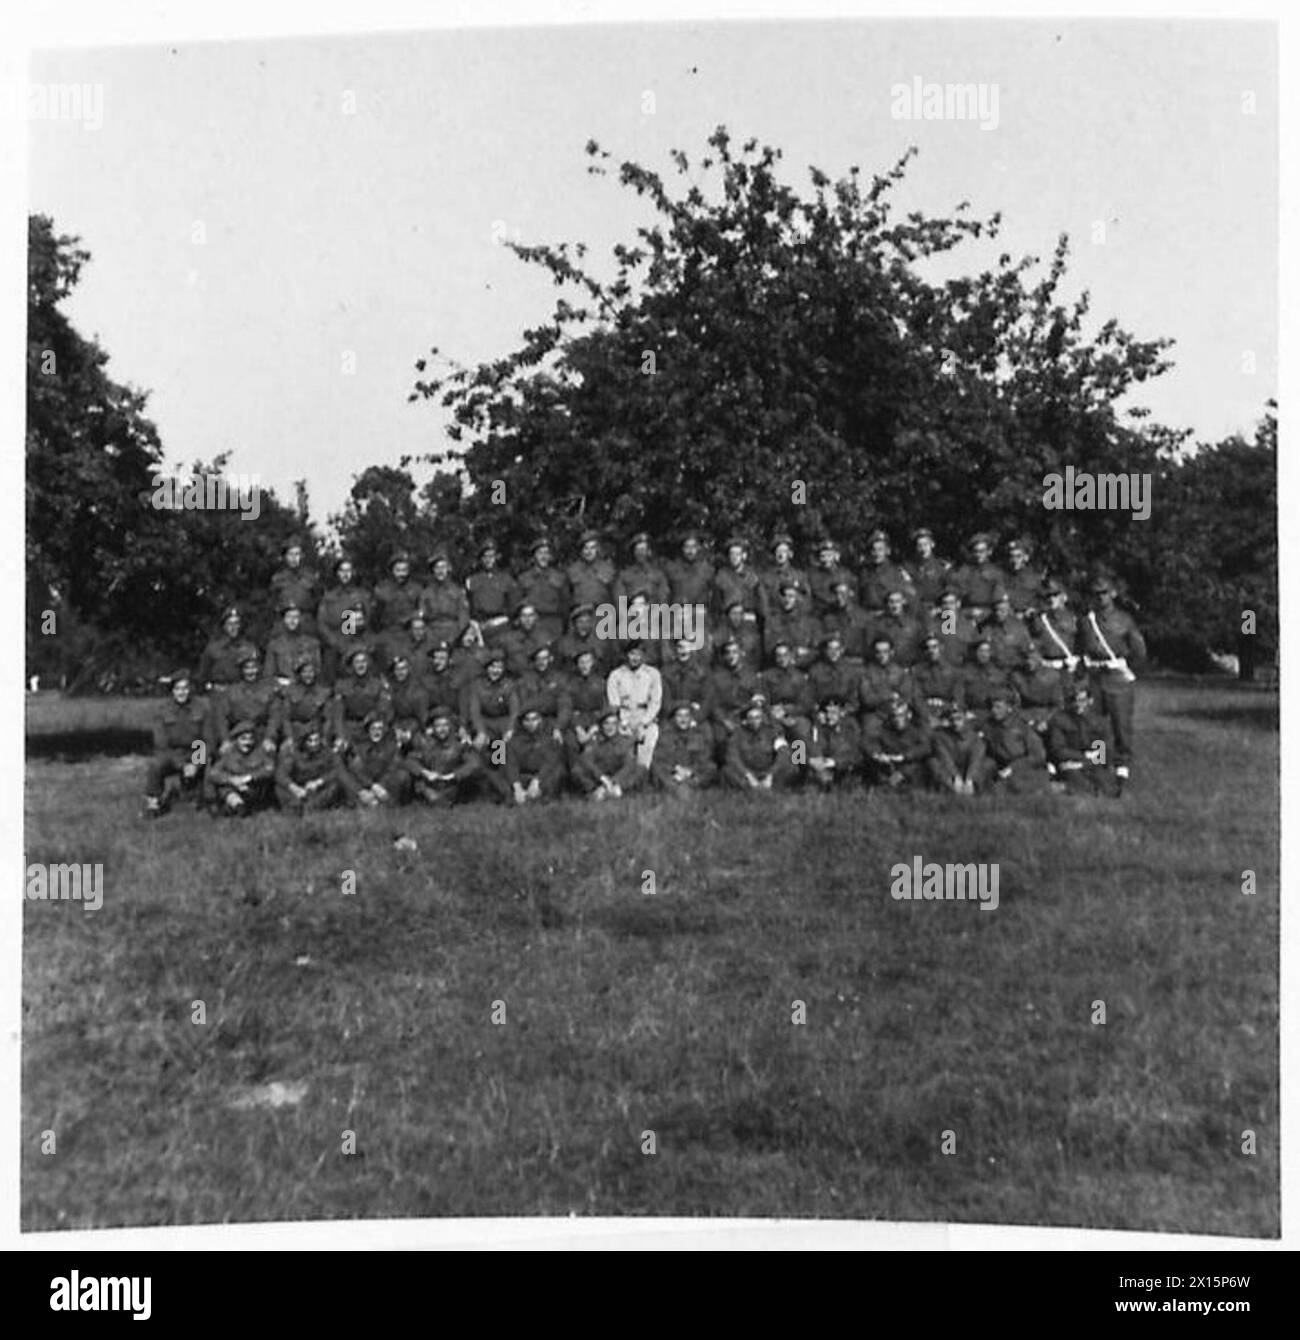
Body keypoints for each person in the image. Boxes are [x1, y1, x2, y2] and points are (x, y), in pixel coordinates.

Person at [1077, 572, 1145, 791]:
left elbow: (1138, 650)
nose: (1100, 598)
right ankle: (1098, 769)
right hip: (1094, 678)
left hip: (1117, 678)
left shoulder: (1124, 619)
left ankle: (1121, 772)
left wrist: (1126, 668)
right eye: (1096, 594)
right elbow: (1080, 647)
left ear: (1113, 594)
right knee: (1096, 726)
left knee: (1121, 726)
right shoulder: (1087, 620)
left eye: (1104, 593)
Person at [144, 670, 209, 815]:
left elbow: (206, 738)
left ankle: (207, 797)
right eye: (178, 689)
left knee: (213, 763)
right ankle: (153, 803)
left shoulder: (201, 708)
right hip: (172, 754)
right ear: (172, 691)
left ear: (190, 689)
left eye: (185, 688)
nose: (182, 693)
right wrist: (182, 764)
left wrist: (195, 763)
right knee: (155, 764)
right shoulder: (162, 711)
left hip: (195, 753)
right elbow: (161, 743)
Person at [1046, 683, 1117, 797]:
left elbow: (1104, 753)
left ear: (1090, 700)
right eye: (1073, 700)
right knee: (1083, 791)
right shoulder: (1059, 720)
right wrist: (1081, 757)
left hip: (1092, 764)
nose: (1078, 704)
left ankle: (1062, 787)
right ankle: (1061, 786)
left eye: (1082, 700)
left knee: (1109, 790)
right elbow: (1058, 750)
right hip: (1068, 763)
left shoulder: (1100, 722)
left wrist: (1082, 762)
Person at [404, 706, 482, 804]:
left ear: (450, 726)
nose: (442, 729)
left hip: (451, 783)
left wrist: (452, 776)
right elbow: (409, 761)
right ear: (433, 728)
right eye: (438, 726)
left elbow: (474, 763)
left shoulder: (458, 744)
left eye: (445, 725)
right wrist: (425, 773)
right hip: (429, 782)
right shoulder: (425, 743)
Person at [208, 652, 279, 756]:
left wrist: (270, 737)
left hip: (261, 736)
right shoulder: (231, 692)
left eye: (253, 667)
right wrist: (225, 740)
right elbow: (221, 718)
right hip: (237, 737)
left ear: (259, 668)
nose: (250, 672)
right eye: (246, 668)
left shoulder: (269, 690)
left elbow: (275, 717)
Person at [606, 640, 662, 768]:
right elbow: (613, 702)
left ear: (643, 655)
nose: (635, 658)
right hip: (624, 717)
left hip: (644, 716)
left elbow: (655, 702)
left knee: (650, 736)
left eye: (638, 654)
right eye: (632, 654)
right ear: (626, 655)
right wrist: (623, 722)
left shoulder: (652, 674)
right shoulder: (616, 675)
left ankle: (643, 774)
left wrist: (644, 723)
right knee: (622, 744)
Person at [981, 691, 1050, 793]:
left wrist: (1013, 767)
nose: (994, 711)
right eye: (992, 707)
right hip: (1001, 767)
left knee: (1013, 787)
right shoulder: (989, 726)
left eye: (998, 707)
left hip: (1026, 768)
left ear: (1009, 708)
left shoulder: (1022, 727)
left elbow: (1038, 755)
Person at [317, 558, 373, 684]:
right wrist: (334, 641)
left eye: (348, 570)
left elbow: (367, 620)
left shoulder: (361, 596)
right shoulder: (329, 598)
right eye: (342, 570)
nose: (345, 574)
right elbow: (321, 624)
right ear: (337, 573)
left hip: (354, 642)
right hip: (334, 643)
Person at [722, 697, 796, 791]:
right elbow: (733, 756)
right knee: (727, 771)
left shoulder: (773, 732)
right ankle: (754, 787)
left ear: (762, 718)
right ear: (746, 720)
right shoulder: (737, 734)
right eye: (751, 718)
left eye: (757, 717)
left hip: (768, 770)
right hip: (748, 771)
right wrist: (748, 775)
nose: (754, 721)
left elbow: (783, 752)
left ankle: (765, 786)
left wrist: (770, 774)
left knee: (792, 768)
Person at [497, 705, 566, 805]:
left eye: (534, 719)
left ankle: (541, 795)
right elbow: (511, 764)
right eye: (527, 720)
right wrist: (517, 787)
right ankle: (517, 796)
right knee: (500, 766)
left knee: (558, 771)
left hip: (541, 776)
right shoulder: (513, 741)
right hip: (522, 776)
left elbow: (550, 762)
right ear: (522, 722)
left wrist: (537, 781)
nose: (531, 723)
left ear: (540, 720)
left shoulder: (550, 738)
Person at [339, 712, 410, 807]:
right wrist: (372, 786)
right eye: (373, 729)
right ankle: (366, 799)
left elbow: (393, 766)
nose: (376, 732)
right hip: (366, 783)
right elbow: (355, 769)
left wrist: (381, 785)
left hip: (384, 783)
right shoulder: (359, 746)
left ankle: (387, 801)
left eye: (380, 729)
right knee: (346, 774)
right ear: (368, 730)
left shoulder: (391, 746)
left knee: (402, 775)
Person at [856, 636, 915, 750]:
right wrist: (889, 695)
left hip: (896, 712)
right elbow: (867, 698)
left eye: (885, 652)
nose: (882, 655)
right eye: (878, 652)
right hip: (875, 714)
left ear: (891, 652)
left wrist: (894, 704)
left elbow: (906, 696)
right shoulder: (866, 673)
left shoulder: (900, 672)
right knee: (870, 734)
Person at [207, 721, 276, 816]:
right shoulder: (228, 753)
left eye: (250, 739)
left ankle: (236, 807)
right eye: (243, 739)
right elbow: (214, 772)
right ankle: (237, 805)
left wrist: (248, 778)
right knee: (224, 788)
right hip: (232, 787)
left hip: (252, 788)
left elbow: (269, 770)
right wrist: (231, 780)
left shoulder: (261, 751)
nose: (247, 743)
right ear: (236, 740)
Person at [574, 707, 645, 800]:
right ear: (601, 725)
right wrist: (602, 778)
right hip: (599, 777)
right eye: (606, 723)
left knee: (640, 769)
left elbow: (629, 764)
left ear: (618, 725)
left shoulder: (623, 740)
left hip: (617, 776)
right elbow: (587, 761)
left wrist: (614, 781)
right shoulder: (595, 740)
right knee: (577, 770)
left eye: (614, 723)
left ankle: (616, 790)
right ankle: (595, 791)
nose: (610, 727)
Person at [329, 647, 393, 749]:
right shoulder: (342, 685)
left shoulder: (378, 684)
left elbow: (383, 708)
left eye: (364, 661)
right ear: (352, 665)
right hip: (350, 729)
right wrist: (340, 735)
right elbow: (338, 714)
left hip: (371, 728)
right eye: (357, 662)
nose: (361, 665)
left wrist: (374, 716)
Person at [651, 702, 718, 797]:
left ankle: (689, 783)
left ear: (691, 718)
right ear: (674, 718)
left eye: (686, 716)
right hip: (673, 772)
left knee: (711, 768)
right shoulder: (666, 735)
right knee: (656, 768)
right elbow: (660, 757)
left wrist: (689, 771)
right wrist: (676, 769)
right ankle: (676, 786)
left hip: (691, 772)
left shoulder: (698, 735)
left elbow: (704, 758)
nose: (683, 720)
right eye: (679, 716)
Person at [707, 637, 761, 753]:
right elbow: (712, 703)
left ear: (741, 653)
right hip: (724, 718)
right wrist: (725, 721)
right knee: (720, 739)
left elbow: (758, 697)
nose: (731, 656)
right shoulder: (716, 677)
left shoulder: (751, 676)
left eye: (735, 652)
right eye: (728, 653)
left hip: (746, 717)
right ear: (723, 656)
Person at [275, 723, 343, 814]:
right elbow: (281, 774)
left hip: (316, 787)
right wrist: (295, 788)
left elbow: (336, 770)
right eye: (310, 741)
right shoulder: (294, 753)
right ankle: (295, 806)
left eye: (316, 740)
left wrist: (319, 782)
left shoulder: (327, 752)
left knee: (335, 785)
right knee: (279, 788)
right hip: (297, 786)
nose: (313, 744)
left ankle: (312, 806)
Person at [868, 699, 934, 791]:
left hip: (912, 768)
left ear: (908, 716)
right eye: (894, 716)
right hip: (891, 765)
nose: (897, 719)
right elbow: (872, 743)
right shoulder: (886, 731)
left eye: (900, 716)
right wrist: (878, 755)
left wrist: (904, 756)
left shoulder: (917, 730)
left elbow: (925, 748)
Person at [271, 656, 332, 751]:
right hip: (295, 732)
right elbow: (285, 717)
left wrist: (324, 736)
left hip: (315, 732)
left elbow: (328, 718)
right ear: (299, 674)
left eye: (311, 671)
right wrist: (289, 736)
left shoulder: (323, 692)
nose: (308, 675)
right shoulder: (289, 691)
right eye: (304, 672)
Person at [760, 642, 815, 746]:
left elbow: (805, 703)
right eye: (779, 656)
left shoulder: (800, 677)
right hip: (771, 715)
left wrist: (786, 711)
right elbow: (763, 699)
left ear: (791, 656)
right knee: (768, 730)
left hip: (794, 715)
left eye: (785, 655)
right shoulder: (766, 676)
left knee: (801, 729)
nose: (782, 659)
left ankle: (799, 759)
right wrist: (774, 713)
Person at [561, 647, 609, 769]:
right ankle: (575, 776)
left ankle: (594, 778)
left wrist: (594, 728)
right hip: (577, 722)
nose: (584, 666)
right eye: (581, 662)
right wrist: (578, 729)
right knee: (570, 742)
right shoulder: (570, 684)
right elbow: (567, 707)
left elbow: (605, 707)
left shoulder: (601, 682)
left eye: (587, 662)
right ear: (577, 665)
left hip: (596, 722)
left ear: (592, 663)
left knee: (594, 745)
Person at [463, 648, 519, 750]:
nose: (496, 671)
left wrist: (510, 729)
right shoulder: (477, 685)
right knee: (479, 744)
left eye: (499, 668)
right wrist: (481, 731)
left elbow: (514, 711)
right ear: (487, 668)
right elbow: (474, 711)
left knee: (502, 746)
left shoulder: (509, 685)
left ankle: (498, 763)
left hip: (502, 723)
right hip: (484, 722)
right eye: (493, 667)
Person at [465, 540, 519, 646]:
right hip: (479, 626)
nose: (488, 560)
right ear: (481, 559)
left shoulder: (507, 579)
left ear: (497, 557)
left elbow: (513, 605)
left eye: (491, 556)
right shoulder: (472, 580)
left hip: (501, 625)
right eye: (485, 556)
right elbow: (468, 606)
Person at [929, 701, 989, 795]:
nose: (955, 723)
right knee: (933, 762)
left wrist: (969, 779)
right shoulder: (940, 736)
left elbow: (976, 759)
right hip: (950, 770)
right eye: (952, 719)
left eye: (959, 719)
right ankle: (951, 788)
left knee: (987, 764)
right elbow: (945, 757)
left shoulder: (974, 737)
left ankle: (974, 788)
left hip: (968, 769)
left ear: (965, 718)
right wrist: (955, 777)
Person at [516, 538, 570, 641]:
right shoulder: (524, 578)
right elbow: (518, 605)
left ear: (550, 556)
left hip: (554, 624)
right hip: (532, 624)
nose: (543, 556)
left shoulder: (560, 577)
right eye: (540, 553)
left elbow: (566, 605)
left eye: (546, 553)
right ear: (534, 556)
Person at [806, 697, 864, 791]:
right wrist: (810, 760)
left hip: (844, 767)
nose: (829, 716)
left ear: (841, 713)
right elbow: (806, 747)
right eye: (827, 712)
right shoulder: (819, 727)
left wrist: (833, 762)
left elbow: (854, 752)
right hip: (825, 765)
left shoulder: (850, 727)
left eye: (833, 713)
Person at [197, 606, 260, 692]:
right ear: (224, 626)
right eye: (230, 624)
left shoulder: (249, 647)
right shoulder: (212, 649)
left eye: (237, 623)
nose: (234, 627)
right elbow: (202, 677)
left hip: (243, 693)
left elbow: (257, 675)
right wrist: (211, 687)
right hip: (220, 693)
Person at [517, 644, 571, 742]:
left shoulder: (559, 678)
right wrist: (547, 700)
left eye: (544, 658)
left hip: (553, 721)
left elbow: (564, 705)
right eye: (538, 659)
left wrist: (558, 726)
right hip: (530, 721)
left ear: (550, 659)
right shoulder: (525, 679)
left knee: (569, 742)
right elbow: (524, 704)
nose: (541, 662)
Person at [269, 537, 323, 636]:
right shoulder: (277, 579)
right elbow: (272, 604)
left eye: (297, 554)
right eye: (291, 554)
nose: (294, 558)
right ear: (285, 556)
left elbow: (319, 602)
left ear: (302, 556)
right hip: (284, 624)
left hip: (306, 624)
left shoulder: (311, 577)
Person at [763, 580, 821, 668]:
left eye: (791, 596)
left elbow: (816, 651)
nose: (786, 600)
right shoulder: (772, 621)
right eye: (784, 595)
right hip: (778, 669)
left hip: (804, 669)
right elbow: (769, 648)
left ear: (798, 598)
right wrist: (795, 651)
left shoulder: (810, 622)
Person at [857, 529, 915, 617]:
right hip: (867, 617)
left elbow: (910, 597)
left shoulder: (897, 572)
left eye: (880, 549)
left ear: (887, 551)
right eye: (873, 550)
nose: (877, 554)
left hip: (889, 618)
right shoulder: (864, 573)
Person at [911, 633, 965, 725]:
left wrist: (948, 714)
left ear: (941, 648)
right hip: (925, 716)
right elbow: (917, 698)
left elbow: (958, 699)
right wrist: (928, 717)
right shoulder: (917, 671)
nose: (931, 651)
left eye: (934, 647)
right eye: (928, 648)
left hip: (948, 715)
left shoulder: (954, 672)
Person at [420, 549, 471, 647]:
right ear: (433, 570)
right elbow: (422, 616)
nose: (440, 571)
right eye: (437, 568)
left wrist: (453, 638)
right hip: (432, 634)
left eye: (443, 567)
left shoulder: (458, 591)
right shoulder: (426, 593)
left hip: (454, 633)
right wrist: (430, 636)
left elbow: (463, 618)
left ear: (448, 569)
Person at [263, 602, 322, 686]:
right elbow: (268, 675)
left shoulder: (312, 644)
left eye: (296, 617)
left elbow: (317, 671)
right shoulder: (274, 645)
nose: (292, 621)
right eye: (289, 617)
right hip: (283, 689)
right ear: (283, 619)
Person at [1030, 578, 1080, 674]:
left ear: (1064, 596)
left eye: (1055, 595)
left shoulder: (1074, 617)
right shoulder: (1040, 619)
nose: (1051, 599)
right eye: (1048, 595)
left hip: (1070, 667)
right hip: (1047, 669)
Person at [1009, 646, 1065, 732]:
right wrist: (1030, 721)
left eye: (1033, 659)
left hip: (1047, 716)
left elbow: (1058, 705)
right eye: (1027, 659)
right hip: (1026, 717)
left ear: (1040, 660)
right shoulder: (1016, 677)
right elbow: (1015, 704)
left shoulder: (1052, 676)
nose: (1029, 662)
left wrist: (1046, 720)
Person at [953, 532, 1005, 621]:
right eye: (975, 551)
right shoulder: (964, 571)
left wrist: (986, 613)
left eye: (982, 551)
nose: (978, 555)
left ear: (989, 551)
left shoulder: (996, 572)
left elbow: (999, 599)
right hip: (965, 613)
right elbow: (957, 593)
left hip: (989, 614)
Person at [711, 536, 765, 623]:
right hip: (727, 621)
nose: (734, 557)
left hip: (748, 620)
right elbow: (716, 604)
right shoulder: (721, 577)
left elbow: (761, 604)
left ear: (744, 555)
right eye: (732, 554)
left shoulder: (753, 577)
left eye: (737, 554)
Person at [870, 587, 927, 668]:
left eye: (897, 601)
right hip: (884, 669)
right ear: (887, 604)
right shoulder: (877, 624)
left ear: (903, 601)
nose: (894, 605)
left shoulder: (914, 625)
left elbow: (921, 649)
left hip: (908, 668)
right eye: (891, 602)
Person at [961, 638, 1014, 724]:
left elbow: (1008, 695)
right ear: (975, 652)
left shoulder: (998, 673)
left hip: (995, 714)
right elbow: (960, 695)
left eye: (987, 651)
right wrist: (964, 711)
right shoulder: (965, 672)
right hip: (974, 713)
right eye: (981, 651)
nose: (984, 654)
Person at [979, 589, 1033, 671]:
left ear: (1008, 609)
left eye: (1003, 610)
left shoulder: (1019, 627)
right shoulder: (985, 625)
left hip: (1013, 667)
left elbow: (1028, 649)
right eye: (996, 609)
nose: (998, 612)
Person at [820, 580, 873, 664]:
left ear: (851, 593)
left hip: (857, 662)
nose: (838, 597)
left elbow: (870, 644)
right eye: (836, 593)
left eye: (842, 593)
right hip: (833, 660)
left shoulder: (864, 616)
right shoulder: (827, 616)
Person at [659, 637, 712, 719]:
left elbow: (706, 702)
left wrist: (696, 719)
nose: (683, 651)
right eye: (679, 647)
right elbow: (666, 704)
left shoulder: (702, 672)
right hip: (672, 717)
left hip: (695, 718)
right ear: (675, 649)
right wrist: (688, 704)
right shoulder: (666, 672)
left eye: (687, 647)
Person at [372, 550, 423, 634]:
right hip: (387, 632)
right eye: (398, 570)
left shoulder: (416, 589)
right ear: (392, 570)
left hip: (410, 632)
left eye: (404, 570)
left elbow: (421, 611)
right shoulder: (381, 589)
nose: (401, 574)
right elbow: (375, 617)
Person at [807, 631, 862, 708]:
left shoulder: (849, 670)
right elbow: (810, 697)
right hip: (822, 710)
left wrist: (843, 712)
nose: (834, 652)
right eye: (830, 649)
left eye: (837, 649)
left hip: (843, 710)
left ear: (842, 650)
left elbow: (854, 698)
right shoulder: (815, 671)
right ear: (825, 650)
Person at [614, 532, 669, 606]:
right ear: (633, 552)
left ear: (649, 552)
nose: (640, 553)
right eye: (637, 550)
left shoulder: (659, 575)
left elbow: (664, 599)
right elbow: (620, 602)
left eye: (643, 549)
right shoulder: (624, 575)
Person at [759, 533, 810, 611]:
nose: (780, 554)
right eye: (778, 551)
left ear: (790, 554)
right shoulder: (766, 577)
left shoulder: (799, 576)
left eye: (784, 551)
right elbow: (763, 600)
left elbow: (807, 600)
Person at [387, 654, 431, 744]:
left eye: (403, 669)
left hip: (415, 727)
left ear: (408, 670)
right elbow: (389, 713)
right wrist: (395, 729)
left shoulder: (417, 689)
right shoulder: (391, 688)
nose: (400, 672)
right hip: (396, 726)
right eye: (397, 669)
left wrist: (410, 731)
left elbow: (422, 717)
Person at [664, 530, 714, 607]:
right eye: (687, 547)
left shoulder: (707, 570)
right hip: (679, 612)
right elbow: (665, 594)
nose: (690, 551)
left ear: (698, 548)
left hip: (699, 613)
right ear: (682, 548)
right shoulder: (672, 569)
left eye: (693, 547)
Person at [808, 536, 856, 617]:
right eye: (823, 555)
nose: (826, 559)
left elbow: (854, 595)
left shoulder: (845, 574)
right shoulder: (812, 575)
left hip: (841, 615)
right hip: (819, 616)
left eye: (829, 555)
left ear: (836, 556)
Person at [566, 530, 615, 610]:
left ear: (597, 549)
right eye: (586, 548)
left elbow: (615, 595)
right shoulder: (572, 570)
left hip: (602, 614)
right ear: (581, 551)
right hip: (580, 613)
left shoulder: (608, 569)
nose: (589, 552)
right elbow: (566, 597)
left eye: (592, 548)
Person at [501, 602, 552, 678]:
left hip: (538, 679)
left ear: (536, 617)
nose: (527, 619)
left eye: (531, 615)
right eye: (524, 616)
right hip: (514, 679)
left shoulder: (545, 637)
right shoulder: (507, 638)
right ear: (518, 618)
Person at [556, 603, 610, 672]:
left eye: (587, 621)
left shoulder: (599, 642)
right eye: (580, 622)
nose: (584, 626)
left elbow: (604, 667)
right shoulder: (564, 643)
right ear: (574, 624)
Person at [909, 527, 951, 612]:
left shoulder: (942, 566)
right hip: (917, 610)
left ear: (932, 544)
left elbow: (949, 590)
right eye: (919, 545)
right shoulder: (909, 567)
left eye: (925, 545)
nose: (923, 549)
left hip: (939, 609)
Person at [1002, 538, 1043, 617]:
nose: (1014, 560)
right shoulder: (1002, 576)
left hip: (1027, 619)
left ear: (1026, 557)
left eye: (1018, 556)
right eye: (1011, 556)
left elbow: (1045, 599)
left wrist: (1034, 609)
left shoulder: (1034, 578)